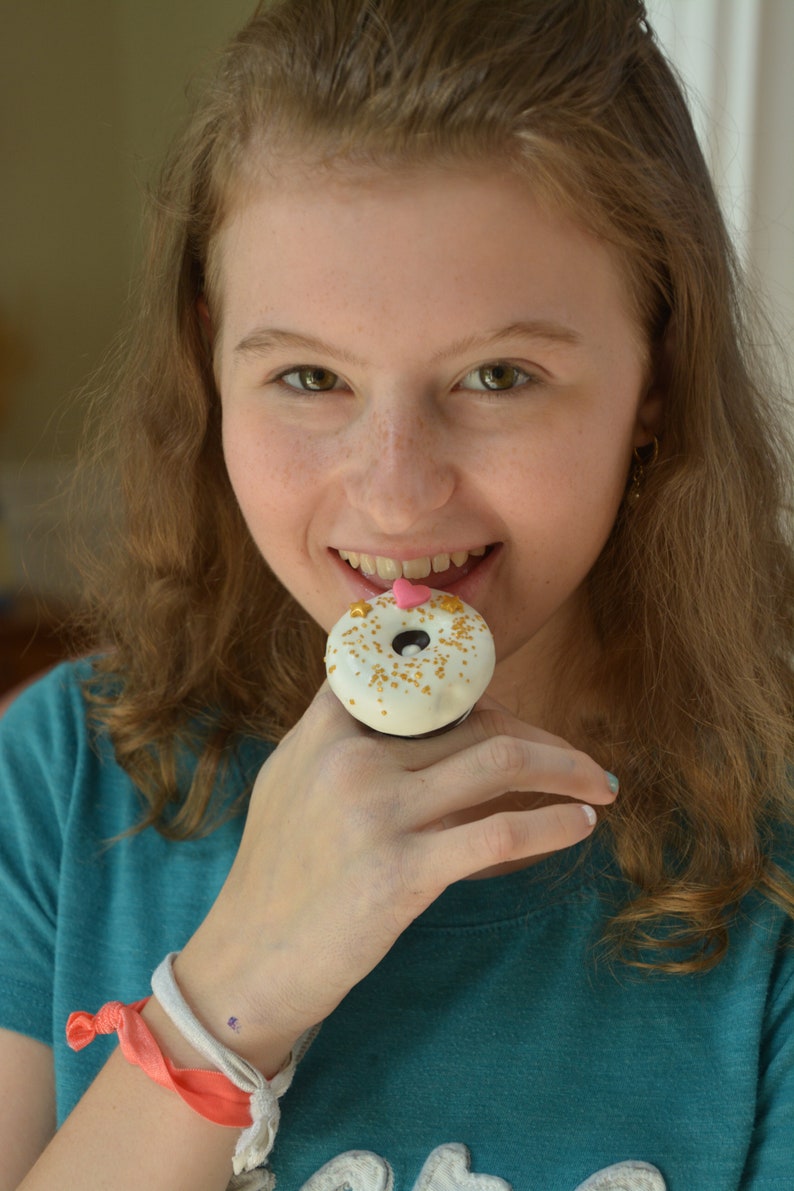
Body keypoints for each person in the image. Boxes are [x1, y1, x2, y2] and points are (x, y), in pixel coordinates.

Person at [1, 1, 792, 1188]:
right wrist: (227, 998)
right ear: (211, 364)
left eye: (496, 375)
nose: (397, 496)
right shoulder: (56, 781)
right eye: (308, 375)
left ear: (655, 382)